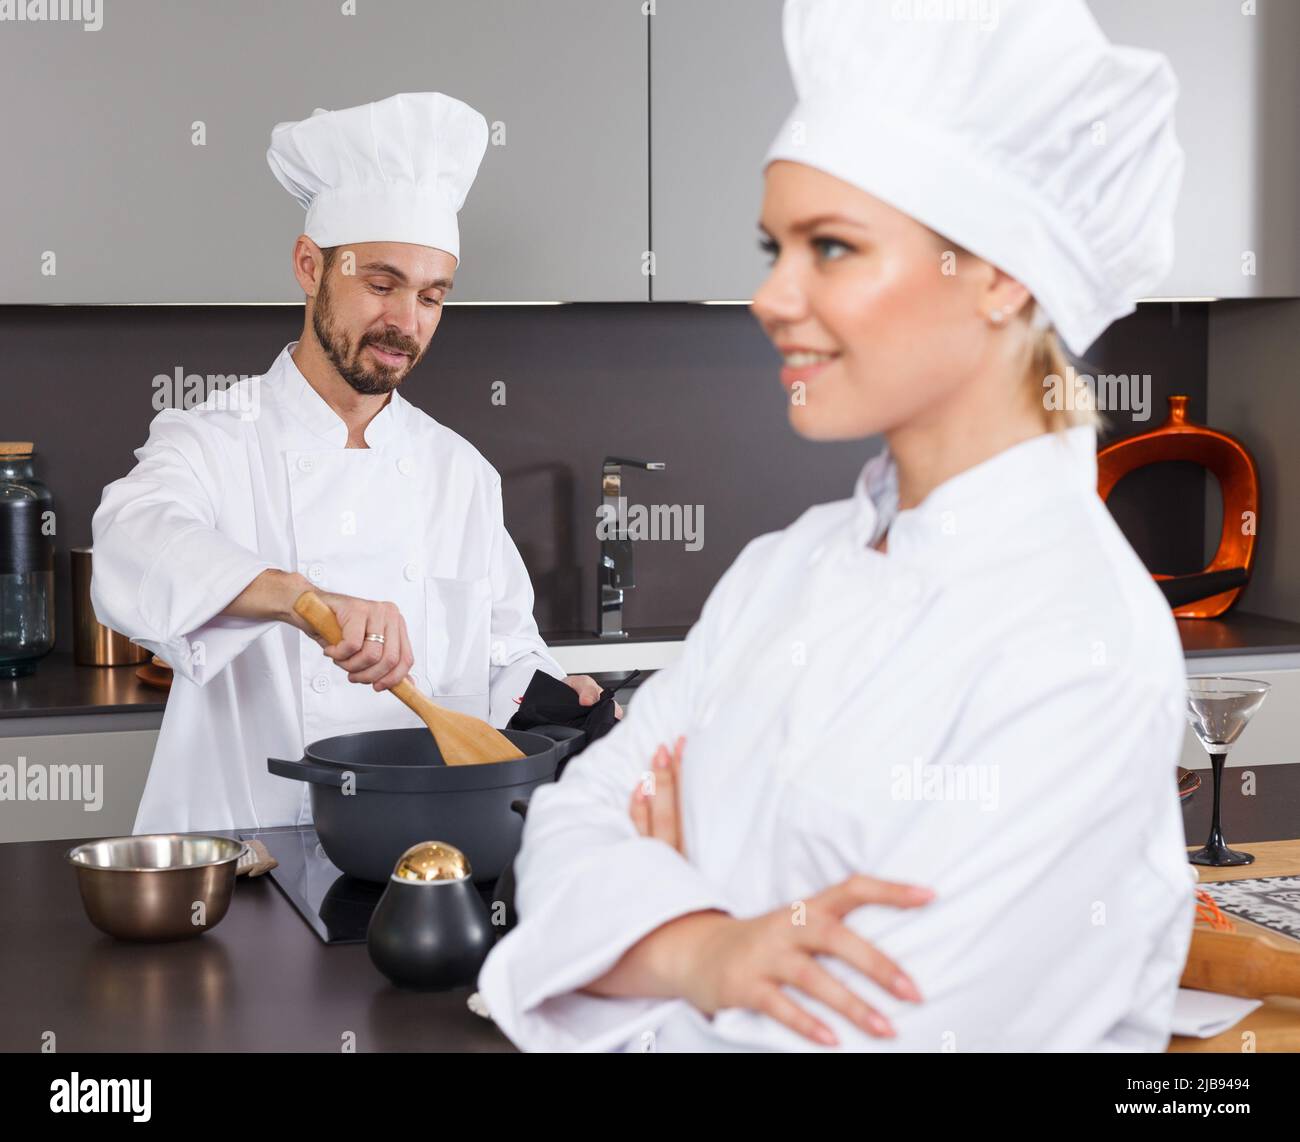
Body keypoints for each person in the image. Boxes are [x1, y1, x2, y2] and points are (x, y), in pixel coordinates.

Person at [476, 0, 1194, 1051]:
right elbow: (568, 829)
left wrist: (652, 921)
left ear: (998, 274)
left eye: (832, 246)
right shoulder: (788, 565)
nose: (770, 295)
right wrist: (710, 950)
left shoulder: (1079, 645)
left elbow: (866, 1035)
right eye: (775, 245)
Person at [92, 92, 608, 835]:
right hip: (246, 859)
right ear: (310, 266)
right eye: (381, 284)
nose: (406, 322)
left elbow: (499, 655)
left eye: (432, 297)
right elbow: (129, 544)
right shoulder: (213, 439)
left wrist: (559, 695)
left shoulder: (459, 472)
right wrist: (301, 599)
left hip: (419, 853)